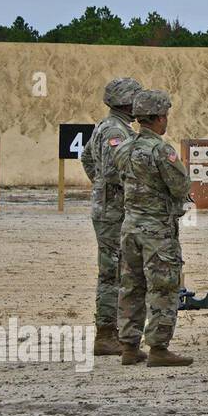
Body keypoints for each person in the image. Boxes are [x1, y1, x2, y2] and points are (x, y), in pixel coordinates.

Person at [113, 89, 193, 367]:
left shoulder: (124, 147)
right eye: (165, 116)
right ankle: (158, 348)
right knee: (163, 288)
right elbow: (181, 186)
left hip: (129, 227)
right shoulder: (161, 150)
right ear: (158, 118)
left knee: (131, 286)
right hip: (157, 231)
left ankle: (129, 346)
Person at [80, 76, 142, 357]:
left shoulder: (108, 126)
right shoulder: (115, 131)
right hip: (113, 211)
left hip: (109, 207)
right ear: (126, 101)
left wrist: (98, 187)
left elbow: (87, 159)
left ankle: (113, 330)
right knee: (112, 272)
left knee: (117, 269)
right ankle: (106, 334)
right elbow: (112, 171)